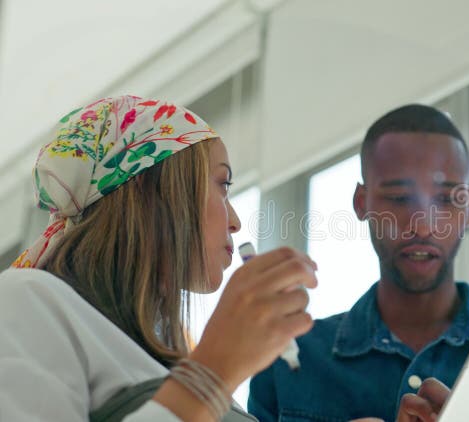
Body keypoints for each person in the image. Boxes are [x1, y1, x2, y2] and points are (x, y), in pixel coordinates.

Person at [248, 104, 469, 422]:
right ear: (361, 202)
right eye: (399, 198)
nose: (424, 225)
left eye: (446, 199)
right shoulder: (286, 364)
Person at [0, 95, 319, 421]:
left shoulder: (170, 358)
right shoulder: (23, 299)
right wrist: (210, 376)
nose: (235, 220)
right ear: (145, 189)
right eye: (222, 185)